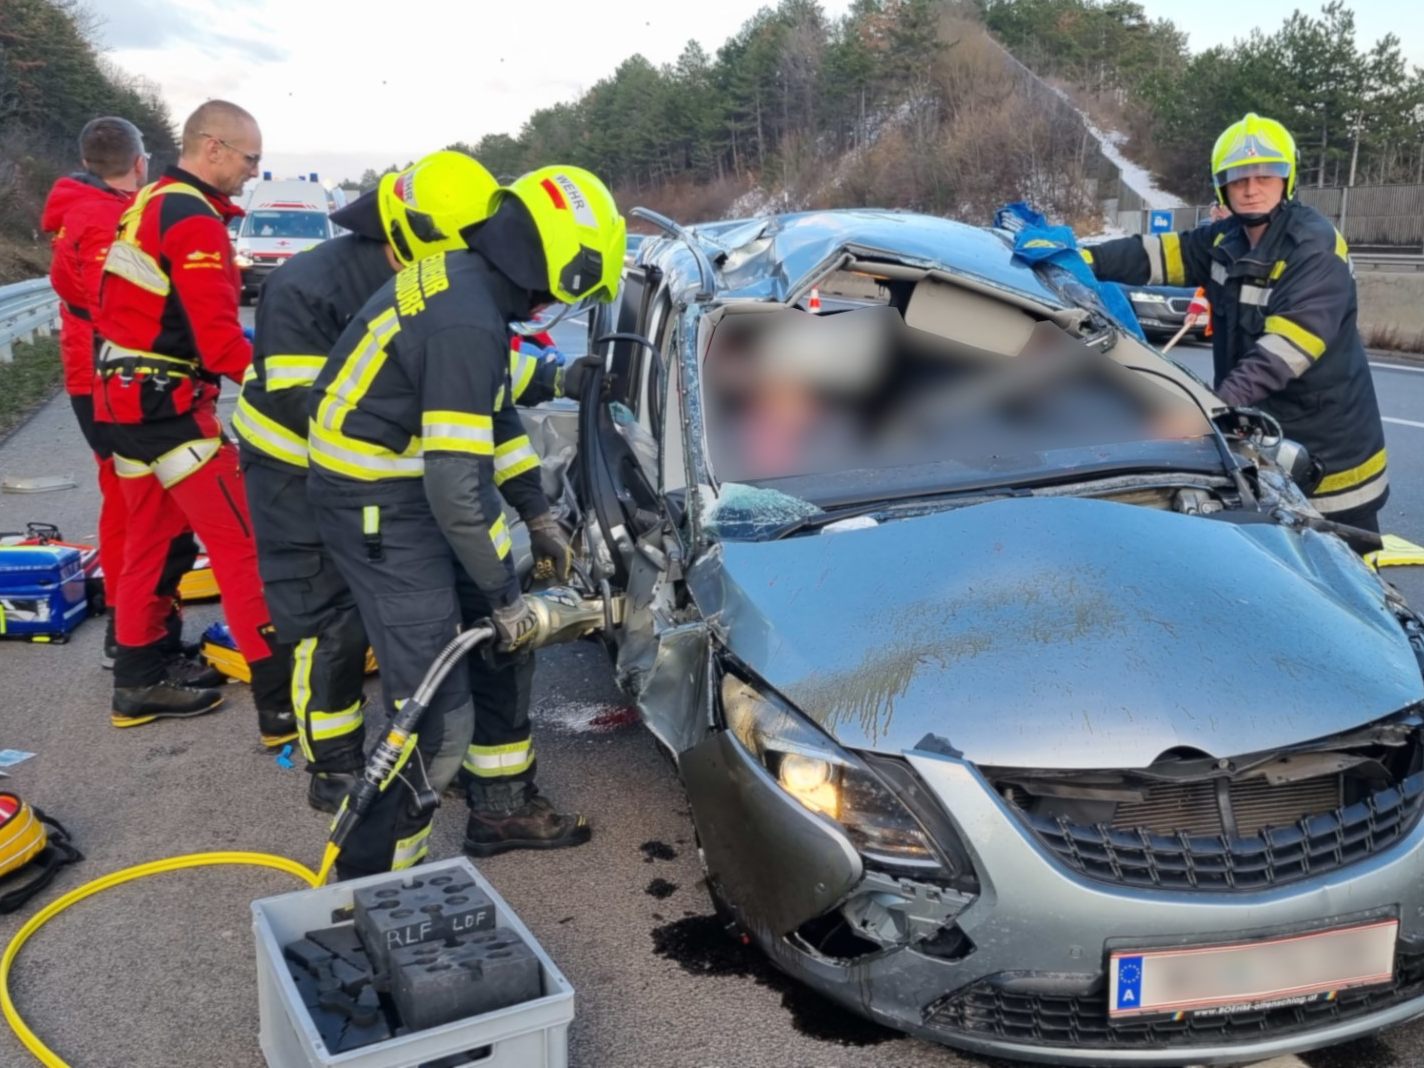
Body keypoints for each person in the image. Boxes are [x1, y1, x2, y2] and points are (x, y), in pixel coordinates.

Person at [237, 151, 589, 814]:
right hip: (298, 469)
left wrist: (534, 492)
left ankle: (496, 798)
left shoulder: (449, 287)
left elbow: (475, 386)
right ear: (411, 236)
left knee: (449, 633)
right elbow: (303, 401)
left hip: (402, 479)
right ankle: (337, 769)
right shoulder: (307, 287)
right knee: (333, 621)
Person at [306, 165, 625, 878]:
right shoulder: (465, 319)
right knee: (433, 713)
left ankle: (501, 807)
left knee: (500, 641)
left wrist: (535, 514)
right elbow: (455, 485)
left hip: (404, 487)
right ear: (561, 268)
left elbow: (495, 419)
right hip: (378, 506)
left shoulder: (468, 282)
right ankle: (378, 886)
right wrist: (509, 599)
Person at [92, 99, 296, 743]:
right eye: (250, 158)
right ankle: (280, 706)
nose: (252, 172)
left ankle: (137, 679)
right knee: (242, 545)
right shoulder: (193, 217)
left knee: (147, 542)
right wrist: (293, 393)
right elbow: (221, 343)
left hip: (120, 401)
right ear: (213, 148)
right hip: (168, 408)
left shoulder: (148, 201)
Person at [1086, 113, 1388, 532]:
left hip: (1333, 462)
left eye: (1265, 176)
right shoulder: (1223, 240)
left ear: (1288, 179)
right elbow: (1151, 254)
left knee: (1346, 577)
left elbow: (1282, 354)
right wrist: (1083, 257)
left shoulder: (1313, 247)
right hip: (1269, 442)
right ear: (1221, 186)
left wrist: (1209, 411)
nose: (1250, 189)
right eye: (1238, 179)